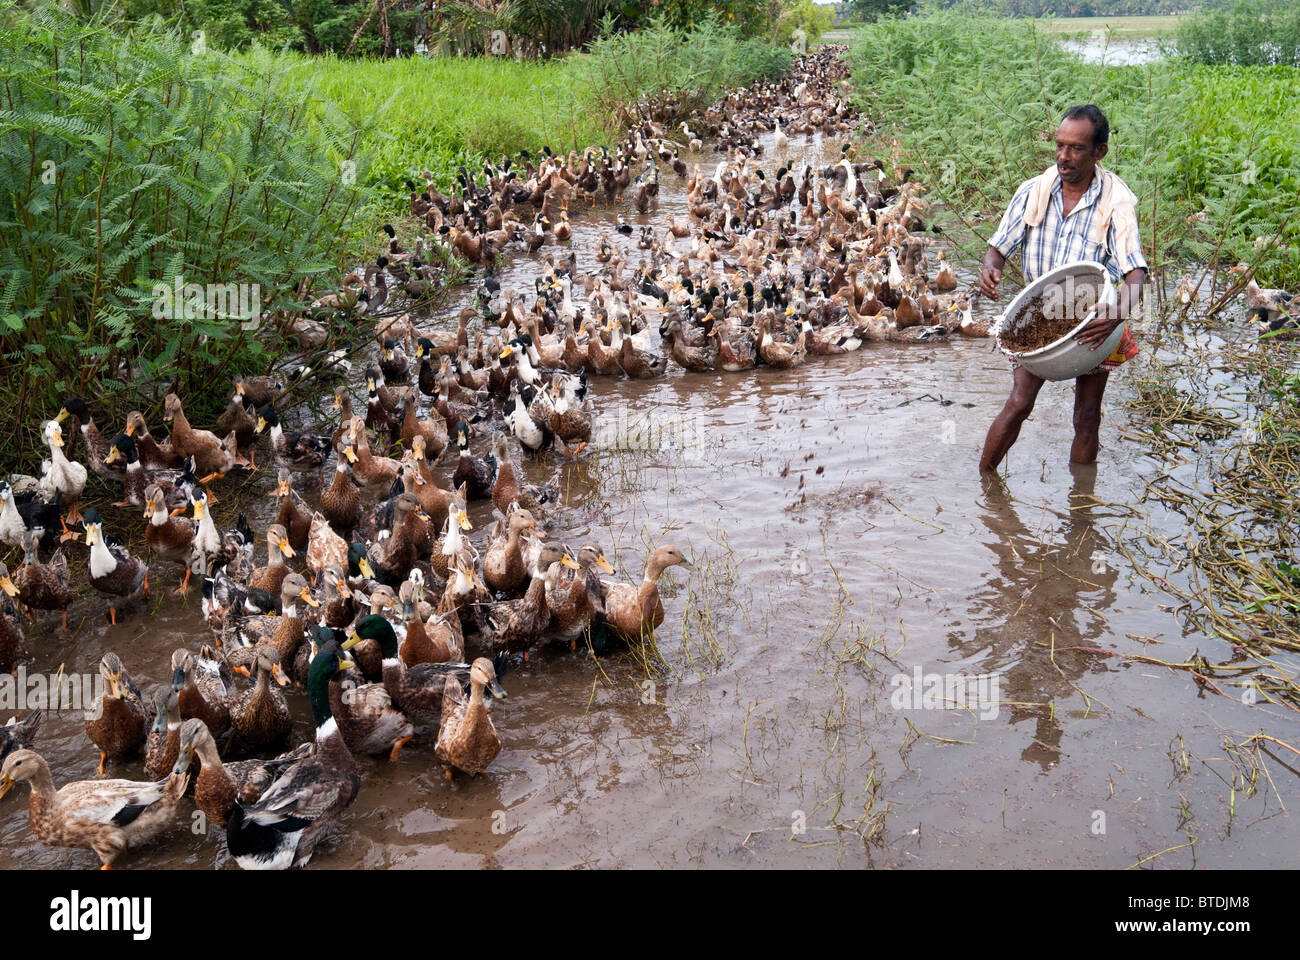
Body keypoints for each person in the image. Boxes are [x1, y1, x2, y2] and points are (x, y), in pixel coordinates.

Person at [978, 105, 1148, 473]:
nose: (1063, 157)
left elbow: (1136, 277)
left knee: (1086, 416)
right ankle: (985, 489)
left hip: (1094, 322)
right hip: (1040, 316)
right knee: (1019, 403)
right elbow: (998, 249)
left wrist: (1117, 313)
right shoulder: (1034, 191)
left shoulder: (1116, 203)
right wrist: (991, 268)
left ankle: (1080, 512)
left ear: (1099, 152)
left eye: (1076, 148)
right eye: (1059, 146)